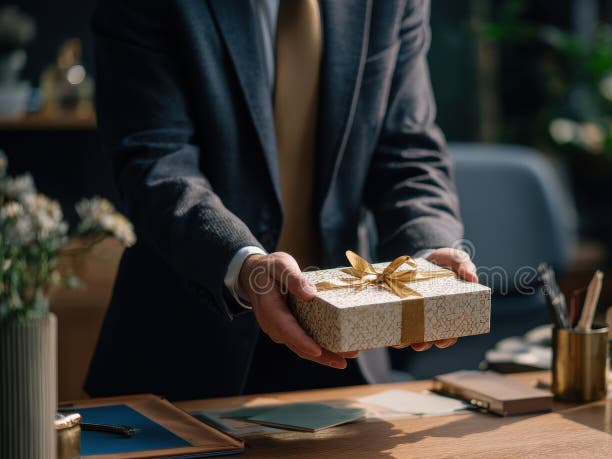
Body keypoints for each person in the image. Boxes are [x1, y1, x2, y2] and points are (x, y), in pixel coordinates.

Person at [84, 0, 477, 401]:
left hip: (345, 358)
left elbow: (407, 151)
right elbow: (156, 162)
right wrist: (244, 264)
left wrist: (428, 252)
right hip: (183, 364)